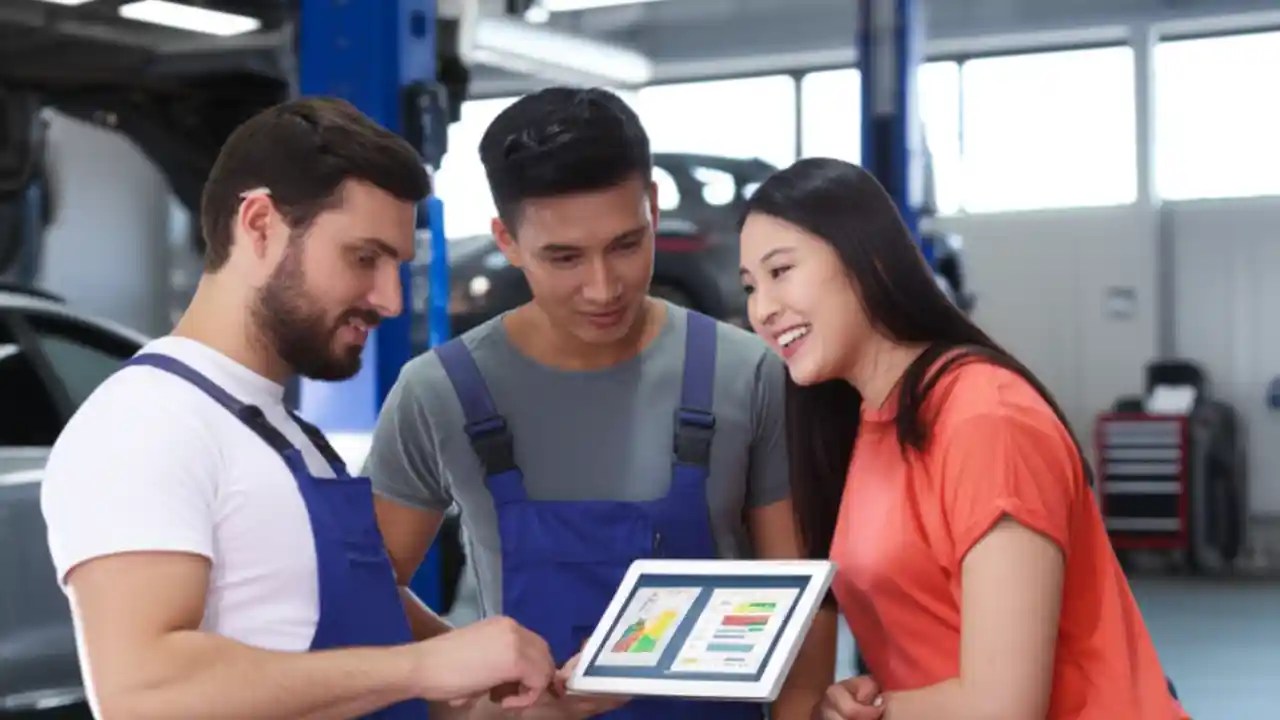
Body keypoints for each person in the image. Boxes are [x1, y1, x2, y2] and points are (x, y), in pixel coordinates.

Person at [39, 97, 559, 720]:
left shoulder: (292, 439)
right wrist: (424, 667)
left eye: (397, 266)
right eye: (364, 258)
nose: (390, 299)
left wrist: (527, 693)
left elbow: (397, 679)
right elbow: (144, 692)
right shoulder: (145, 423)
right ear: (259, 224)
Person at [363, 87, 836, 720]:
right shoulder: (438, 393)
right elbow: (365, 589)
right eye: (564, 257)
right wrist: (466, 683)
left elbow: (797, 601)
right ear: (506, 240)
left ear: (654, 209)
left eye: (625, 244)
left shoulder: (747, 375)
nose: (603, 287)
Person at [735, 157, 1191, 720]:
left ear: (868, 258)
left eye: (781, 272)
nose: (762, 309)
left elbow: (1002, 706)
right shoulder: (857, 428)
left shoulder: (984, 416)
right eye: (750, 286)